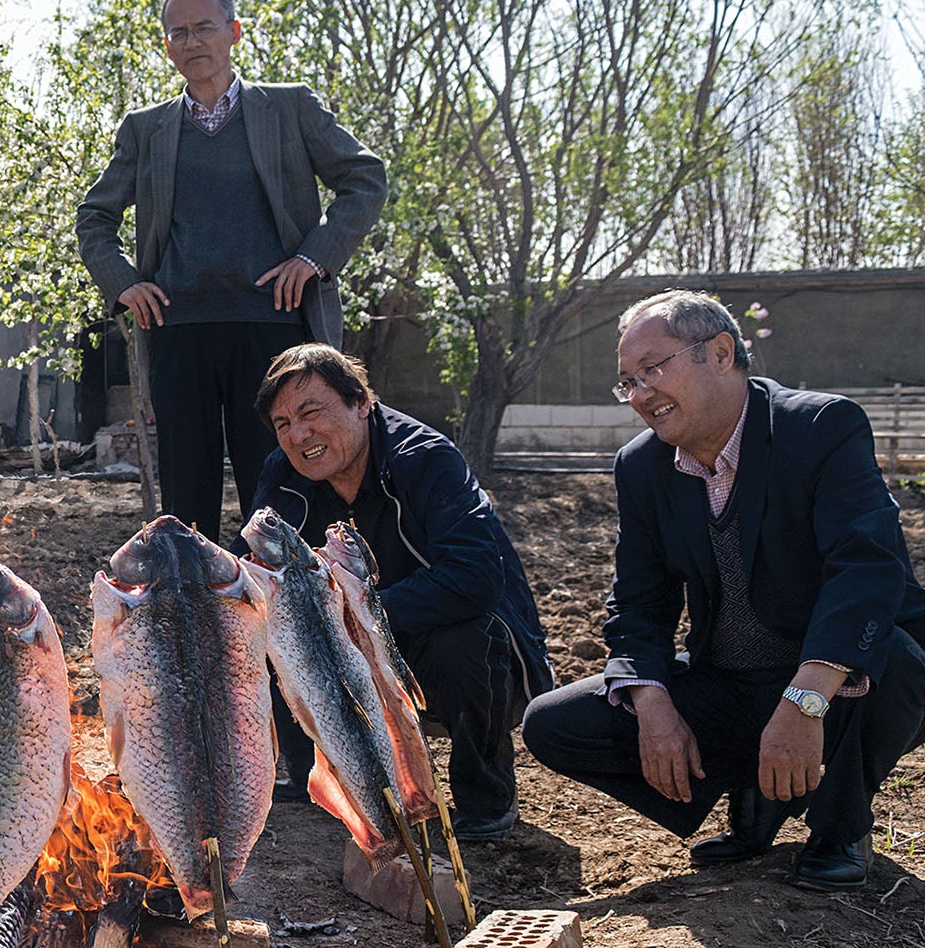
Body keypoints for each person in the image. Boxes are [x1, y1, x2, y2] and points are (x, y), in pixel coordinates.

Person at [521, 290, 925, 892]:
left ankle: (840, 825)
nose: (640, 394)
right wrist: (652, 702)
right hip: (734, 678)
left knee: (895, 657)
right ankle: (762, 790)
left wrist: (804, 701)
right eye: (628, 382)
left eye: (652, 369)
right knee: (554, 723)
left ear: (720, 353)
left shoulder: (818, 427)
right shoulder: (642, 466)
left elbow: (866, 569)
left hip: (840, 678)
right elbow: (638, 601)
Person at [76, 0, 387, 546]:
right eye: (178, 33)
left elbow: (365, 178)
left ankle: (282, 601)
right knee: (185, 500)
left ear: (234, 32)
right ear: (167, 46)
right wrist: (124, 284)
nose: (192, 41)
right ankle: (194, 600)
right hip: (178, 330)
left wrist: (314, 258)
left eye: (204, 27)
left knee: (279, 489)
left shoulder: (289, 108)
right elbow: (95, 216)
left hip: (274, 329)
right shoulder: (146, 129)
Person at [248, 344, 553, 840]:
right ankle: (310, 774)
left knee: (466, 641)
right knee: (267, 627)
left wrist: (353, 614)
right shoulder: (283, 473)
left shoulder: (426, 458)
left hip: (443, 641)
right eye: (283, 424)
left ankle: (485, 794)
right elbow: (260, 571)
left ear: (360, 402)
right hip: (347, 643)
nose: (298, 435)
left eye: (311, 413)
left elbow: (474, 577)